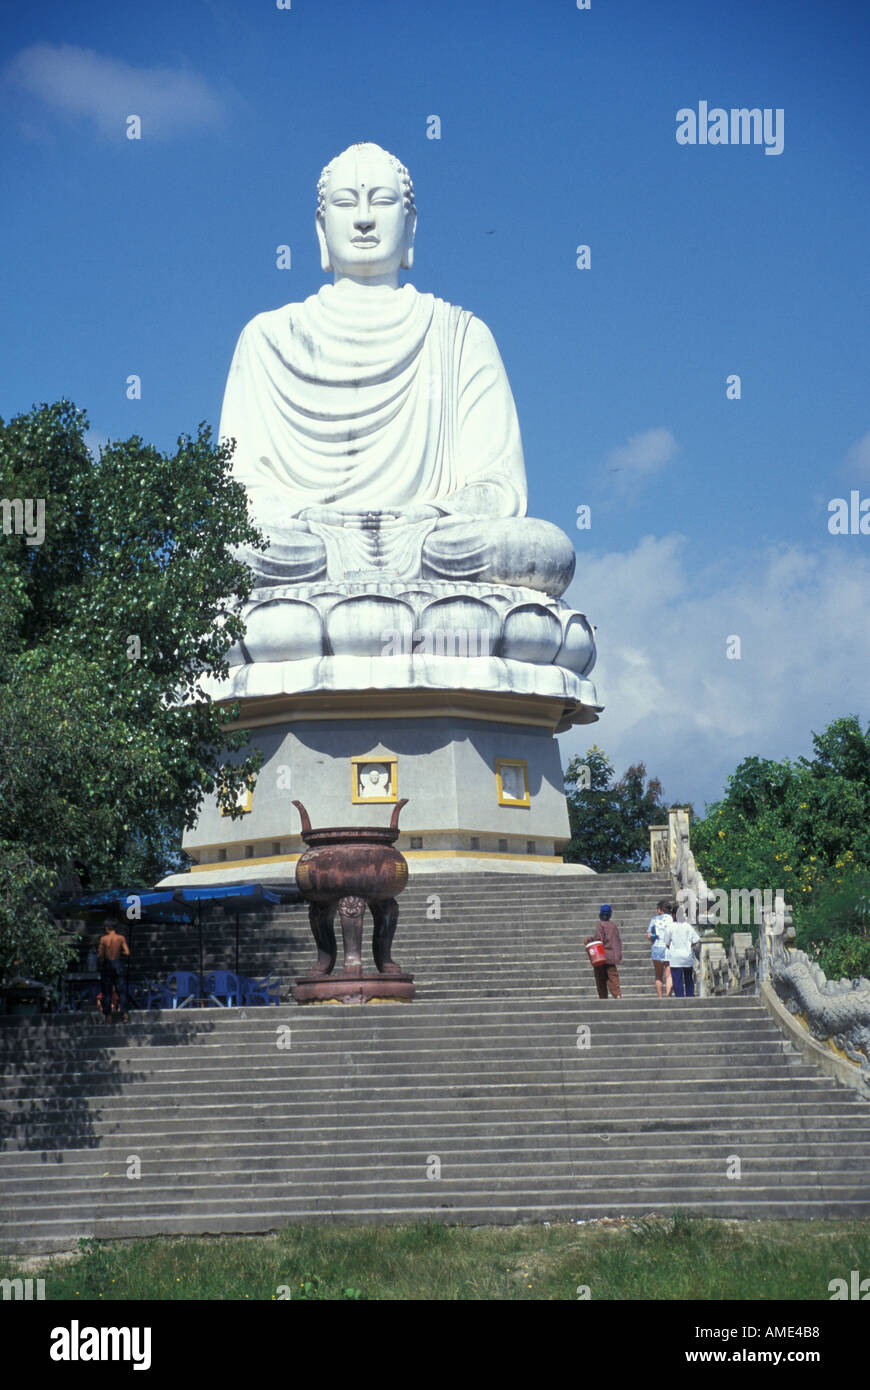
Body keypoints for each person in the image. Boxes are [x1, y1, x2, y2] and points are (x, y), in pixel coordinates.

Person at [585, 904, 622, 999]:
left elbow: (599, 939)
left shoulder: (600, 925)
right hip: (612, 957)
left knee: (601, 979)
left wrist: (589, 940)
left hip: (601, 957)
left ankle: (603, 998)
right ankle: (617, 995)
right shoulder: (613, 926)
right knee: (613, 978)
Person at [97, 919, 130, 1023]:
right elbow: (127, 952)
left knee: (106, 991)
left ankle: (108, 1016)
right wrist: (119, 952)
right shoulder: (120, 938)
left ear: (107, 928)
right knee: (121, 990)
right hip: (117, 964)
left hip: (107, 964)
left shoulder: (103, 939)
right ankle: (125, 1014)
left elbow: (100, 955)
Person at [662, 913, 700, 997]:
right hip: (687, 956)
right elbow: (696, 940)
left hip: (675, 957)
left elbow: (666, 942)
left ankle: (680, 997)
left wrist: (672, 948)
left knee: (677, 980)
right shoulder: (688, 926)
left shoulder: (670, 927)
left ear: (673, 915)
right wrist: (689, 946)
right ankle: (690, 995)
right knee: (688, 978)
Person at [647, 898, 674, 998]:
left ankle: (660, 997)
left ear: (660, 909)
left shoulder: (654, 920)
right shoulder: (672, 919)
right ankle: (668, 996)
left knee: (658, 975)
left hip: (657, 948)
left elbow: (649, 936)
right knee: (669, 975)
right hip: (668, 948)